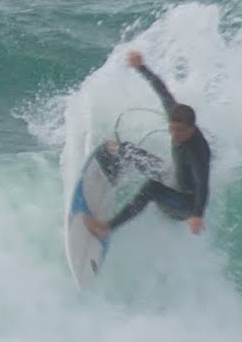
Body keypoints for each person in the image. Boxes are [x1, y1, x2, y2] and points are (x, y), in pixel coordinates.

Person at [83, 50, 211, 240]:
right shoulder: (175, 115)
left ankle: (106, 228)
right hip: (172, 180)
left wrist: (197, 215)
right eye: (172, 129)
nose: (175, 135)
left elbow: (203, 184)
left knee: (151, 188)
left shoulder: (198, 151)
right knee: (130, 151)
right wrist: (141, 67)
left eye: (181, 131)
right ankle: (113, 166)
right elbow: (162, 91)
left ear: (192, 128)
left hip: (183, 205)